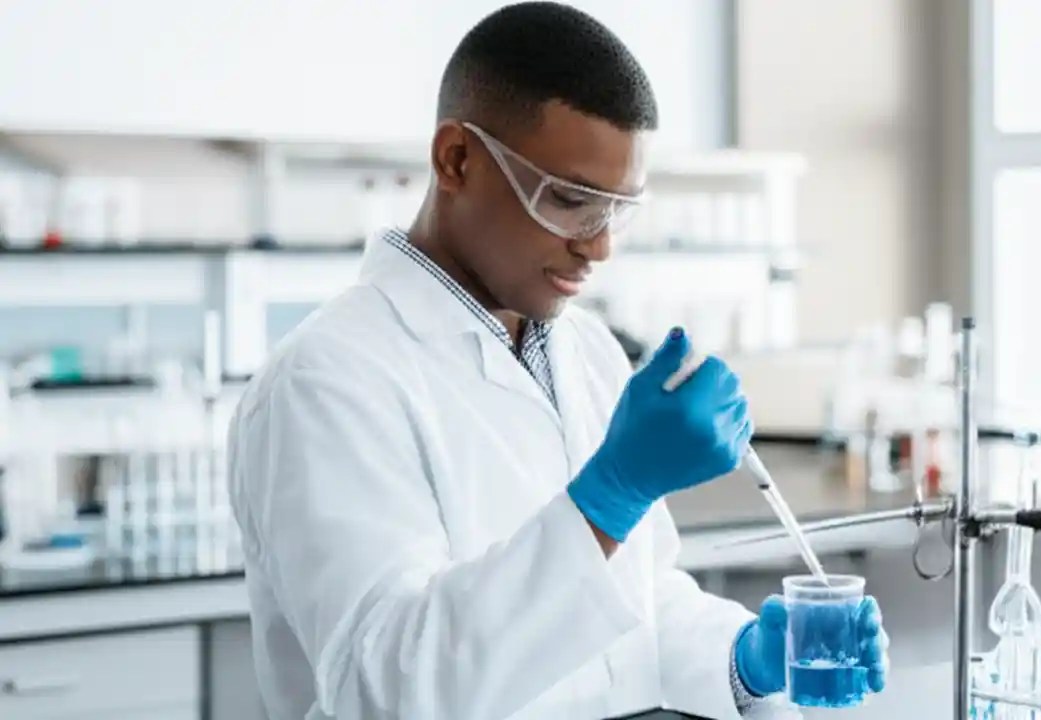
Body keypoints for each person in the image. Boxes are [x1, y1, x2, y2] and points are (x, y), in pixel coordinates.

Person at [226, 3, 888, 718]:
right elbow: (385, 689)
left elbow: (636, 610)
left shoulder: (586, 349)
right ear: (456, 160)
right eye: (571, 200)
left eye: (617, 210)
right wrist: (609, 497)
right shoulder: (324, 380)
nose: (598, 245)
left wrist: (745, 660)